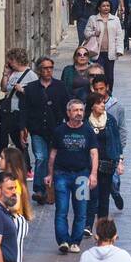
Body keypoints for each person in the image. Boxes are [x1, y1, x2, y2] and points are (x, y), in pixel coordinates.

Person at [47, 98, 99, 253]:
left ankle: (75, 241)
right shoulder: (60, 131)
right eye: (75, 110)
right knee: (61, 209)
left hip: (82, 175)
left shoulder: (88, 131)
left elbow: (94, 153)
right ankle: (63, 240)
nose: (79, 113)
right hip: (62, 175)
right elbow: (53, 154)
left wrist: (93, 174)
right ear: (68, 112)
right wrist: (49, 174)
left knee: (81, 210)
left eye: (81, 110)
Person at [19, 56, 68, 203]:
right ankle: (39, 189)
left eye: (50, 68)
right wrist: (23, 128)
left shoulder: (60, 86)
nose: (48, 71)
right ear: (39, 70)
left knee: (53, 159)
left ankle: (52, 188)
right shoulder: (31, 88)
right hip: (37, 130)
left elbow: (67, 106)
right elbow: (24, 109)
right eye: (45, 68)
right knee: (41, 158)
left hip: (56, 130)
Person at [85, 91, 123, 232]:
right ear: (92, 106)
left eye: (103, 103)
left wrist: (119, 160)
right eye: (99, 103)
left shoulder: (110, 120)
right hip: (88, 164)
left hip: (107, 163)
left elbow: (116, 140)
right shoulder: (85, 121)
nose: (102, 105)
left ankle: (102, 226)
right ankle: (87, 225)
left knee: (104, 196)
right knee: (89, 195)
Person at [0, 47, 36, 154]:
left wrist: (23, 90)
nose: (9, 63)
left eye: (11, 60)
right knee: (2, 140)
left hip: (20, 113)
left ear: (17, 60)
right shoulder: (12, 73)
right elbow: (4, 88)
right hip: (7, 112)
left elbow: (36, 95)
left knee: (20, 144)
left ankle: (26, 168)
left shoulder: (31, 75)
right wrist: (5, 74)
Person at [83, 0, 124, 92]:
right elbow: (86, 33)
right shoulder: (93, 19)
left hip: (110, 52)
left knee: (110, 77)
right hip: (97, 52)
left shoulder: (115, 19)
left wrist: (119, 50)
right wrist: (94, 33)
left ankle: (109, 94)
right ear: (99, 8)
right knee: (98, 75)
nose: (106, 8)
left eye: (108, 6)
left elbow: (119, 36)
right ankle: (96, 93)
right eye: (104, 6)